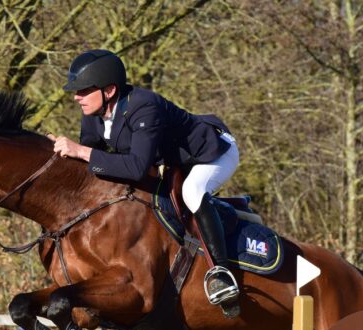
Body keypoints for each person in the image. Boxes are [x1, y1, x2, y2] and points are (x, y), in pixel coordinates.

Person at [48, 49, 241, 312]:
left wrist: (80, 151)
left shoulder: (144, 106)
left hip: (212, 153)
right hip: (174, 160)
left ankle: (221, 273)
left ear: (109, 90)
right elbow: (92, 163)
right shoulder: (93, 113)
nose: (76, 97)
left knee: (192, 191)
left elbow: (136, 166)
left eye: (83, 90)